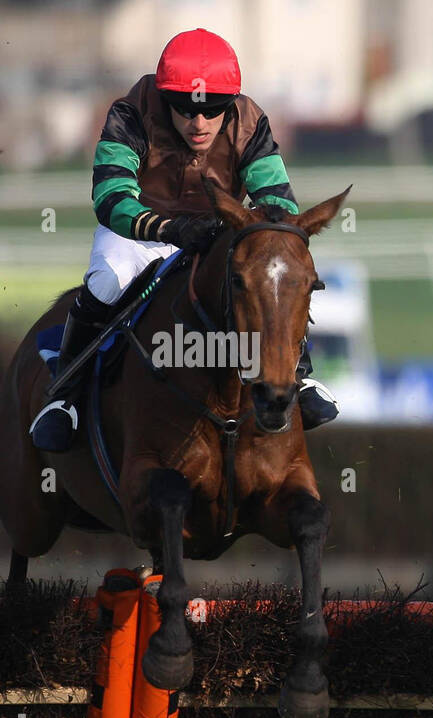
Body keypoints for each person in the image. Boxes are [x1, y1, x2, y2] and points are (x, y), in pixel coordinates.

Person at [30, 27, 337, 452]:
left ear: (228, 105)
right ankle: (64, 397)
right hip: (137, 234)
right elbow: (111, 197)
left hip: (217, 232)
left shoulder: (250, 121)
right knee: (107, 281)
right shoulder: (130, 113)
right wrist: (170, 229)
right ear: (165, 99)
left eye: (212, 111)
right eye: (186, 111)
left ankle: (298, 376)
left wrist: (258, 230)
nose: (199, 124)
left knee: (271, 279)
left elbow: (276, 199)